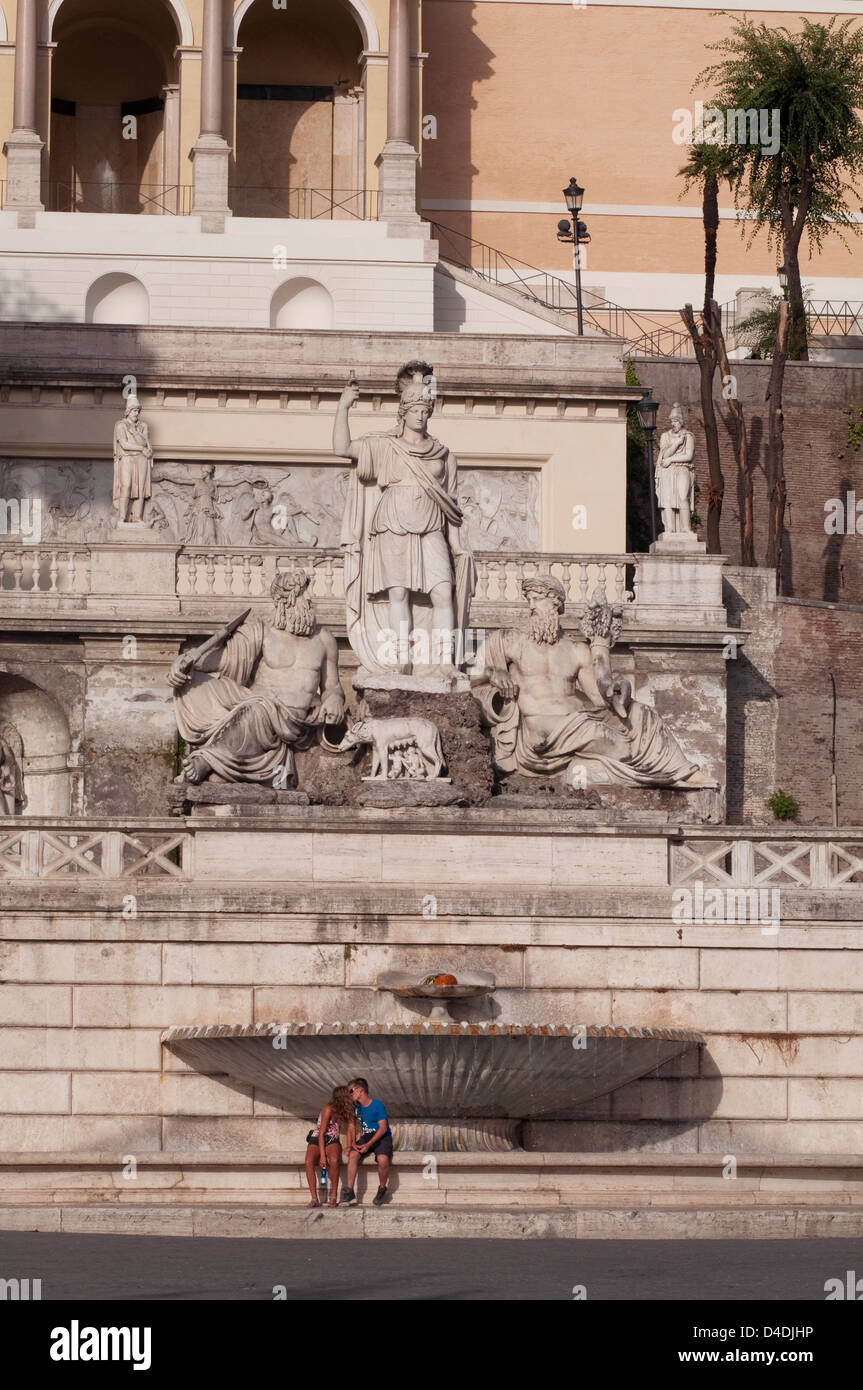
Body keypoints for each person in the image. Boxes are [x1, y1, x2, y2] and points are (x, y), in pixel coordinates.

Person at [340, 1077, 393, 1207]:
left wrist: (368, 1145)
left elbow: (383, 1128)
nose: (349, 1095)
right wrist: (350, 1145)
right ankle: (350, 1192)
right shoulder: (355, 1107)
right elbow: (351, 1126)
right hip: (367, 1136)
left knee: (382, 1160)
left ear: (360, 1090)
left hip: (382, 1136)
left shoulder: (377, 1105)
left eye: (350, 1091)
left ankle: (382, 1188)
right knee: (352, 1155)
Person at [304, 1085, 355, 1208]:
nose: (351, 1096)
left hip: (333, 1139)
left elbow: (352, 1128)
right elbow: (321, 1134)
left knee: (334, 1160)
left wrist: (350, 1145)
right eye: (349, 1095)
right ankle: (314, 1198)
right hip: (318, 1138)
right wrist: (322, 1156)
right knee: (308, 1161)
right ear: (343, 1097)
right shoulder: (328, 1109)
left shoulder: (347, 1110)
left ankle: (333, 1196)